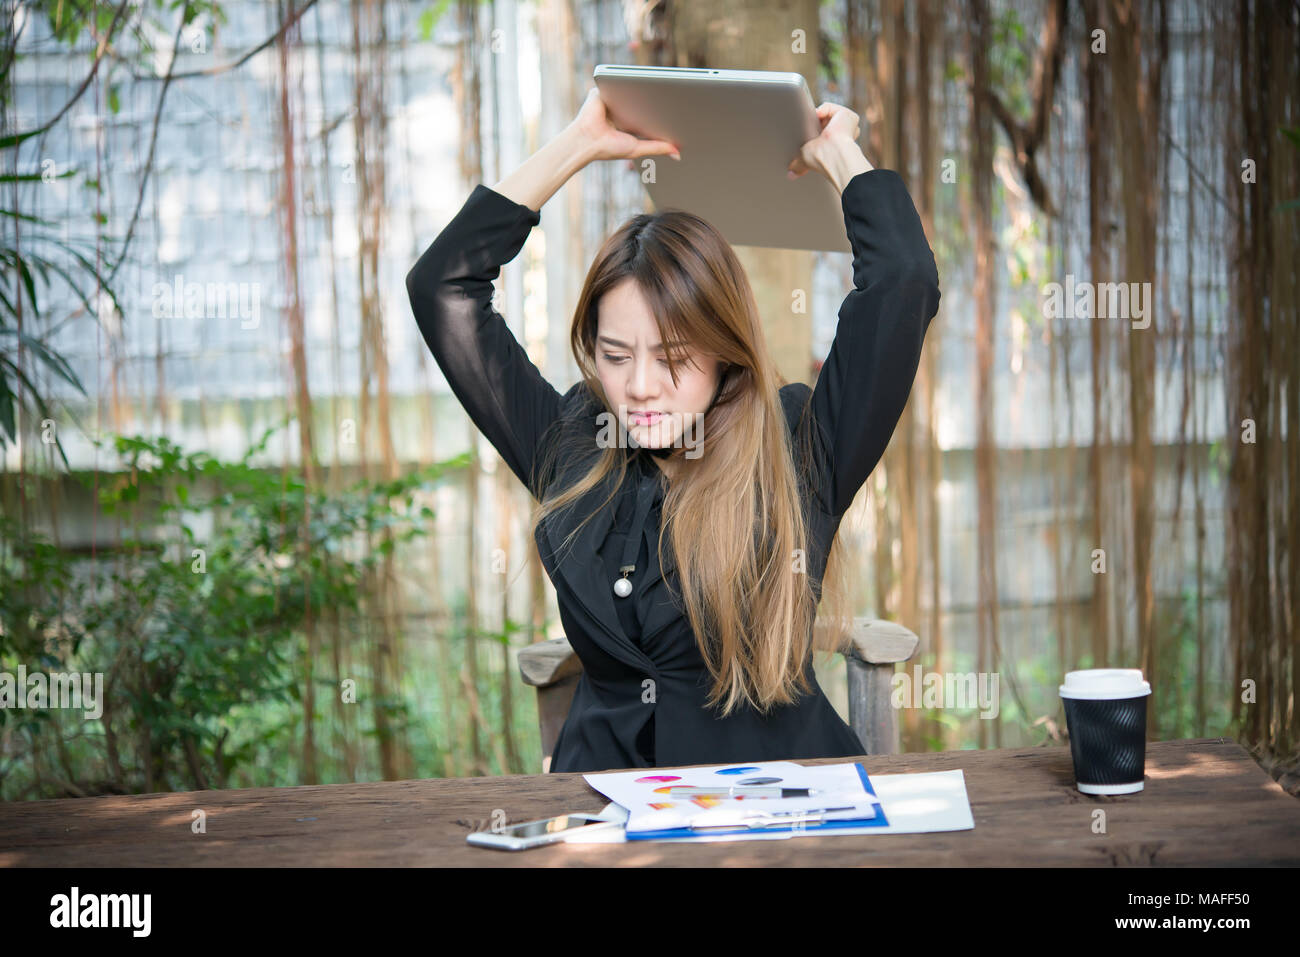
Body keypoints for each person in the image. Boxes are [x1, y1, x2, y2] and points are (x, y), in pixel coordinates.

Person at [406, 87, 940, 773]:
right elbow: (443, 287)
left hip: (775, 807)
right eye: (616, 355)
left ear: (724, 352)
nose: (639, 386)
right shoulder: (572, 442)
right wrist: (580, 144)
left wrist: (838, 152)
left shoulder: (800, 441)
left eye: (674, 357)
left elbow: (903, 280)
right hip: (600, 812)